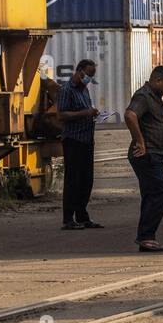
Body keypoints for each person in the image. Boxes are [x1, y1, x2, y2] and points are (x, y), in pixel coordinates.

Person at [125, 65, 163, 252]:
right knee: (161, 192)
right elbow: (130, 115)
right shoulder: (144, 96)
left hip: (155, 155)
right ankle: (146, 236)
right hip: (147, 155)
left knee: (151, 195)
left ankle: (146, 238)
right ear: (157, 80)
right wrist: (140, 141)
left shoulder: (154, 97)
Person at [56, 59, 102, 230]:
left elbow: (86, 111)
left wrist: (93, 113)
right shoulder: (66, 90)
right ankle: (68, 219)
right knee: (73, 181)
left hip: (86, 140)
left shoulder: (84, 90)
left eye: (92, 76)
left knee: (86, 180)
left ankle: (82, 216)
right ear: (80, 71)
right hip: (73, 140)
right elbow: (61, 115)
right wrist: (85, 113)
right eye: (88, 74)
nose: (89, 78)